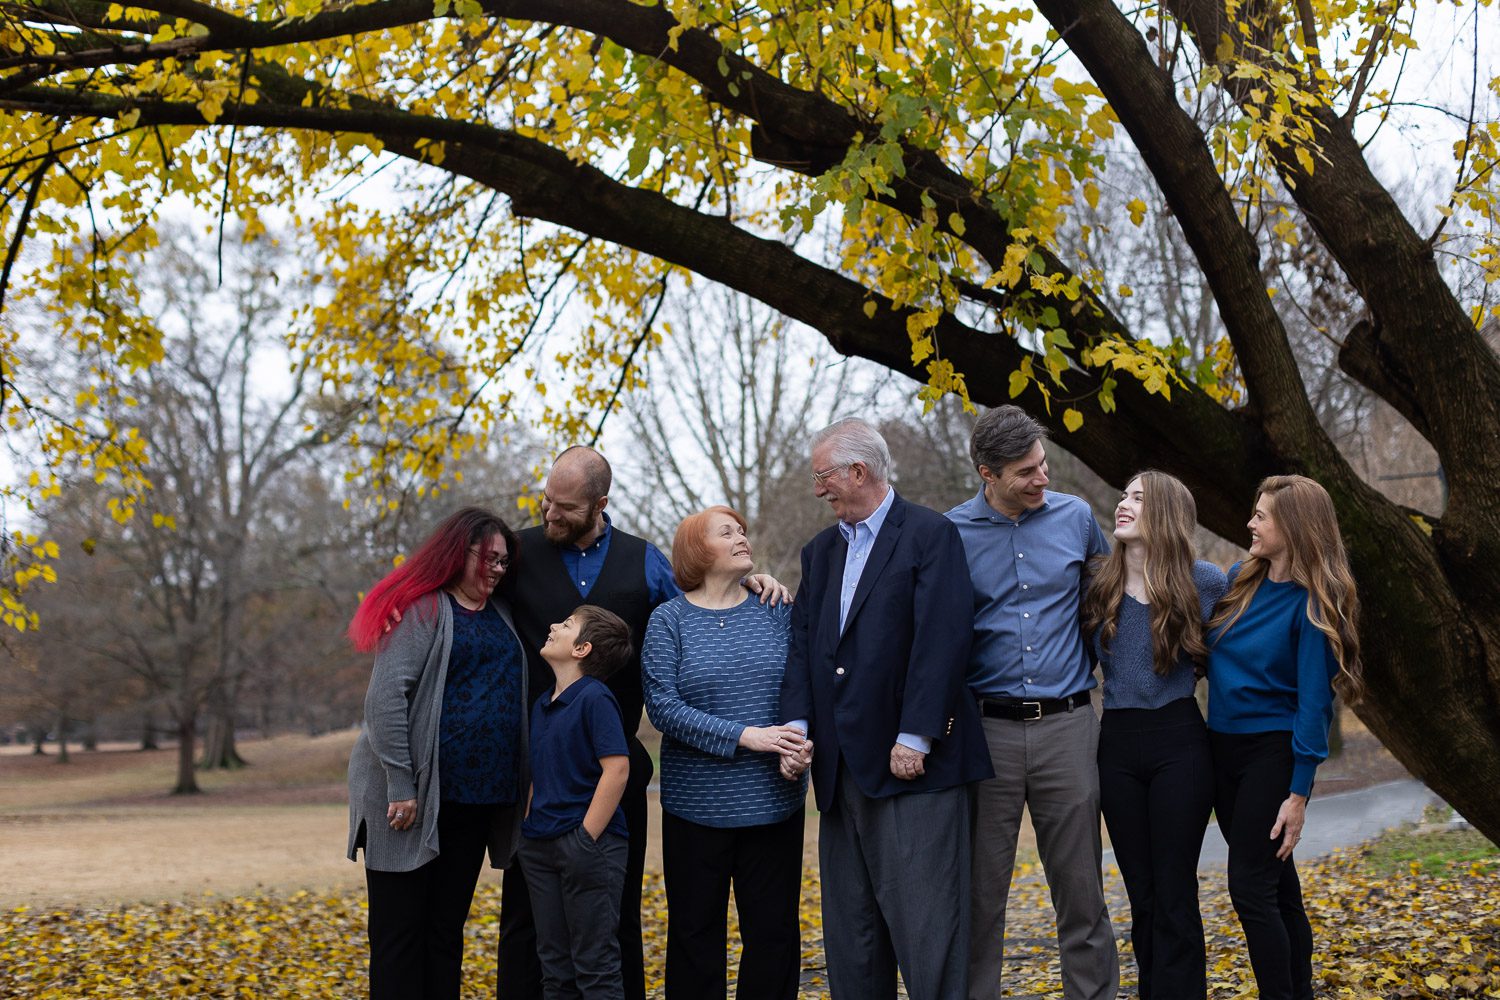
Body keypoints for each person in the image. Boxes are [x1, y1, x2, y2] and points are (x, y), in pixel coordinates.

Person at [497, 446, 789, 1000]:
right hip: (539, 769)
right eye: (546, 502)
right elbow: (469, 590)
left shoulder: (644, 560)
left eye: (564, 507)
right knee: (527, 919)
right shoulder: (520, 551)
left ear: (600, 504)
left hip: (614, 766)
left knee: (614, 914)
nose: (549, 514)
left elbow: (702, 599)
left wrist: (751, 580)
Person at [780, 417, 992, 1000]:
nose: (818, 488)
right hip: (840, 772)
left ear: (859, 471)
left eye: (824, 476)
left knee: (929, 938)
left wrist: (917, 735)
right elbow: (805, 645)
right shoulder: (819, 552)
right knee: (853, 941)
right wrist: (796, 728)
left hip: (913, 769)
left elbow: (943, 640)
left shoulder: (929, 534)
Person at [945, 405, 1118, 1000]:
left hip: (1069, 726)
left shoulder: (1076, 517)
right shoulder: (949, 534)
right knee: (979, 895)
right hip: (985, 733)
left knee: (1081, 893)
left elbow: (1110, 604)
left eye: (1043, 465)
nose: (1042, 479)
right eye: (1026, 472)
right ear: (987, 474)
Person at [345, 506, 527, 1000]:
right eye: (487, 557)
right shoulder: (423, 609)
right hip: (408, 801)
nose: (496, 568)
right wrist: (403, 786)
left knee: (446, 934)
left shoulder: (504, 612)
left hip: (473, 802)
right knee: (400, 936)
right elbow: (385, 700)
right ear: (457, 552)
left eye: (504, 561)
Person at [642, 506, 810, 1000]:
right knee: (695, 938)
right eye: (726, 532)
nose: (742, 537)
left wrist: (799, 744)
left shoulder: (776, 607)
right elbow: (663, 708)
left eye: (741, 530)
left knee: (774, 936)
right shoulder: (668, 620)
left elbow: (804, 687)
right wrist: (747, 736)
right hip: (696, 810)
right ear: (698, 549)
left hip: (773, 804)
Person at [1206, 475, 1363, 1000]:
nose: (1250, 523)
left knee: (1249, 889)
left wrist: (1298, 795)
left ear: (1293, 528)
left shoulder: (1311, 605)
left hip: (1270, 756)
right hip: (1221, 751)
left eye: (1262, 516)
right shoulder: (1239, 581)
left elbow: (1314, 706)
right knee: (1279, 888)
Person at [1080, 471, 1228, 999]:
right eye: (1124, 495)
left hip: (1180, 743)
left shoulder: (1204, 580)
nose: (1124, 504)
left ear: (1163, 512)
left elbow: (1233, 658)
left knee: (1174, 893)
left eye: (1138, 498)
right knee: (1141, 895)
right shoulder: (1098, 583)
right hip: (1116, 744)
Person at [520, 606, 636, 1000]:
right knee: (554, 968)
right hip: (539, 845)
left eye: (566, 625)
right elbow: (538, 773)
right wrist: (528, 829)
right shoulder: (542, 704)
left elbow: (617, 770)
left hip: (589, 847)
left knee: (595, 966)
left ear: (583, 649)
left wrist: (585, 838)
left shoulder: (594, 698)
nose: (553, 625)